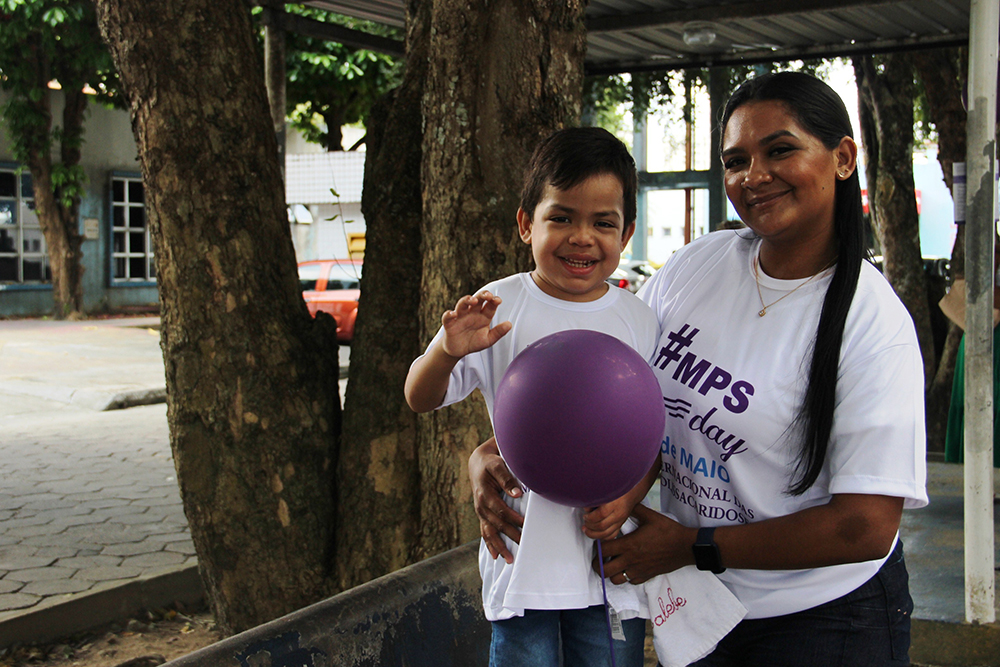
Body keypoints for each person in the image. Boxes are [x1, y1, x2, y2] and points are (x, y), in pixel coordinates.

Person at [469, 72, 928, 667]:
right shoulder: (698, 266)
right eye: (736, 160)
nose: (754, 176)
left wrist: (691, 545)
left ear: (842, 158)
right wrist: (492, 452)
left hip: (822, 621)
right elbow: (608, 392)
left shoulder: (872, 325)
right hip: (702, 605)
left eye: (780, 150)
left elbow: (862, 526)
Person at [405, 127, 660, 667]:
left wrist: (630, 496)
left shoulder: (639, 320)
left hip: (606, 562)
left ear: (627, 232)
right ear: (526, 223)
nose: (582, 237)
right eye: (562, 217)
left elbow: (652, 434)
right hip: (521, 554)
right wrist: (446, 352)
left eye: (603, 223)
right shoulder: (495, 307)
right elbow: (419, 397)